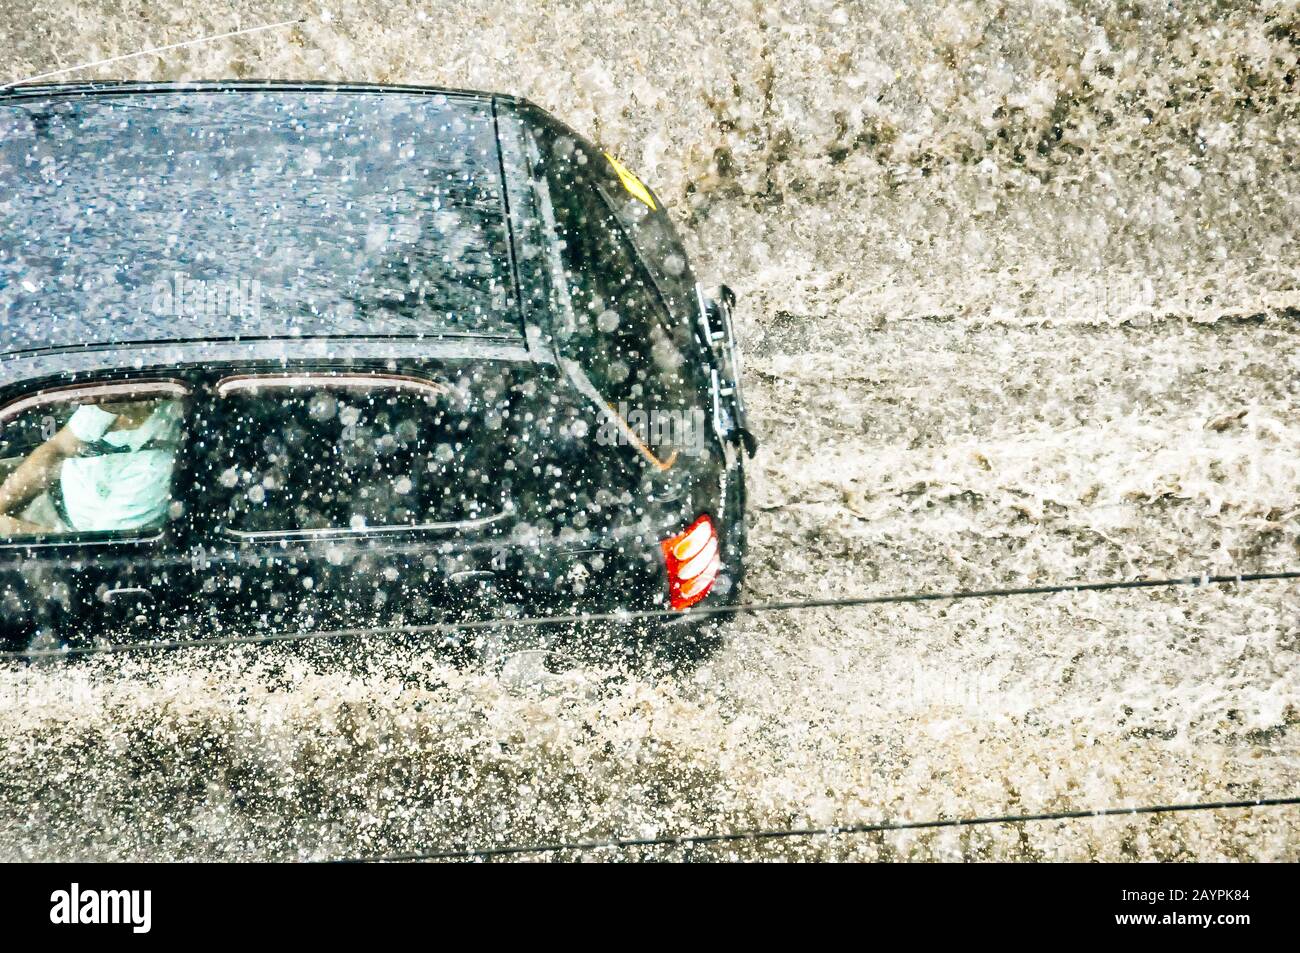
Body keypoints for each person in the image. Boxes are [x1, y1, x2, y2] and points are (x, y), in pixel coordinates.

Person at [0, 399, 182, 537]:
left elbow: (100, 548)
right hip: (49, 496)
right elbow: (57, 448)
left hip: (65, 536)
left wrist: (12, 529)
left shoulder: (155, 469)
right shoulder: (111, 403)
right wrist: (3, 502)